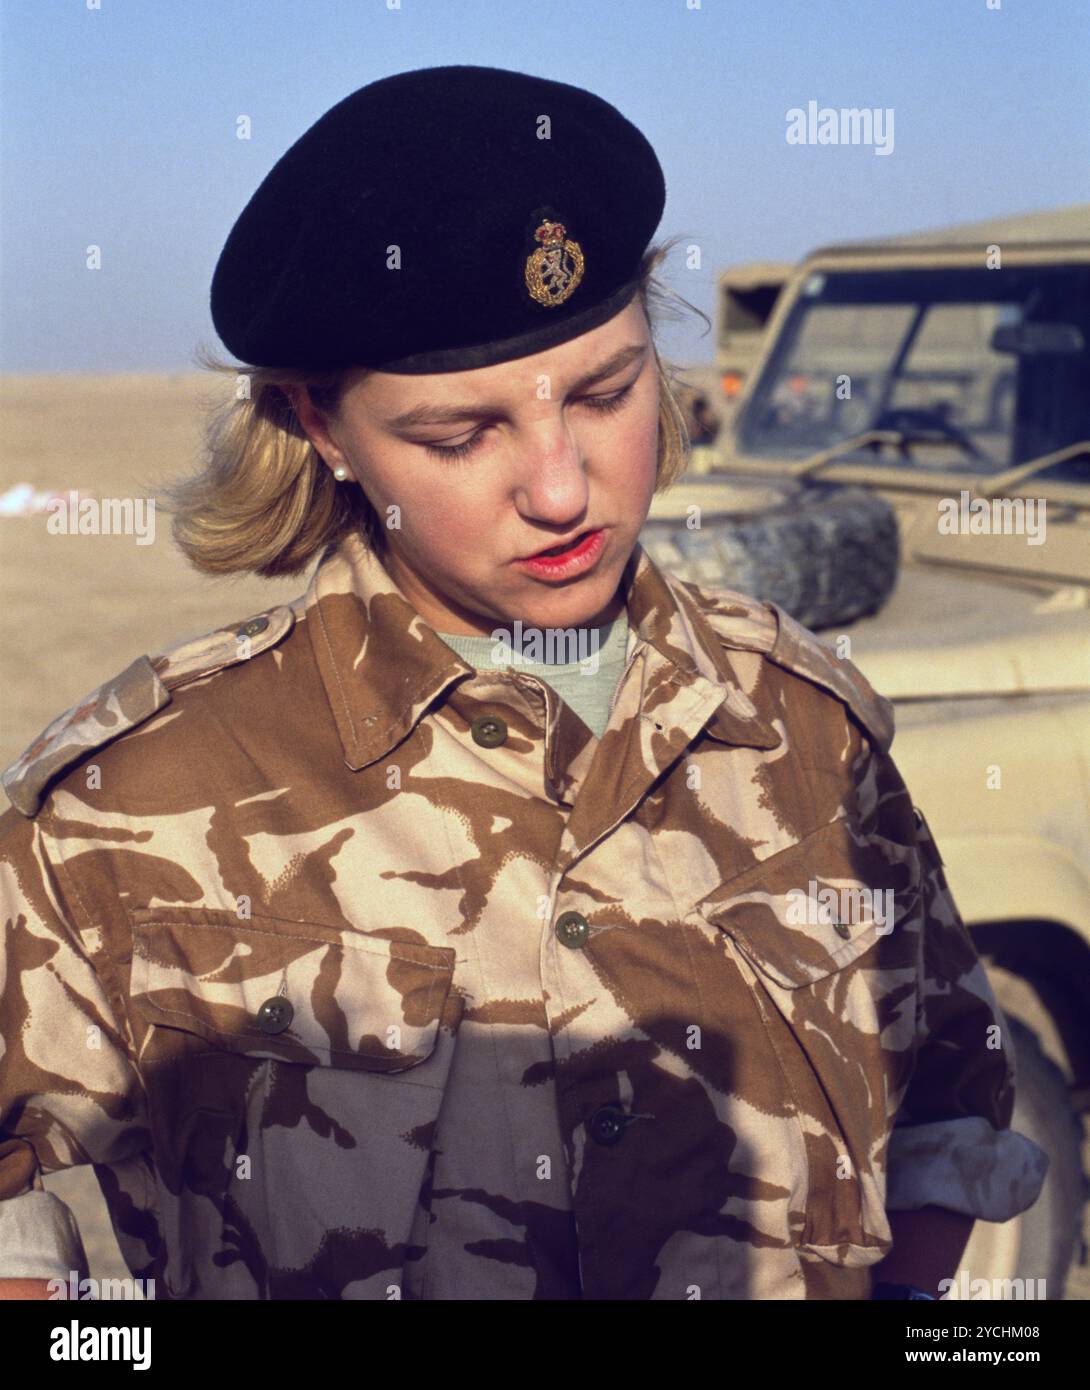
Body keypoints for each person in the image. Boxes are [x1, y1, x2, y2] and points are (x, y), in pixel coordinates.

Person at [0, 64, 1047, 1301]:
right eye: (459, 434)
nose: (561, 490)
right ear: (321, 428)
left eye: (606, 393)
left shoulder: (806, 728)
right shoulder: (125, 801)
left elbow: (947, 1103)